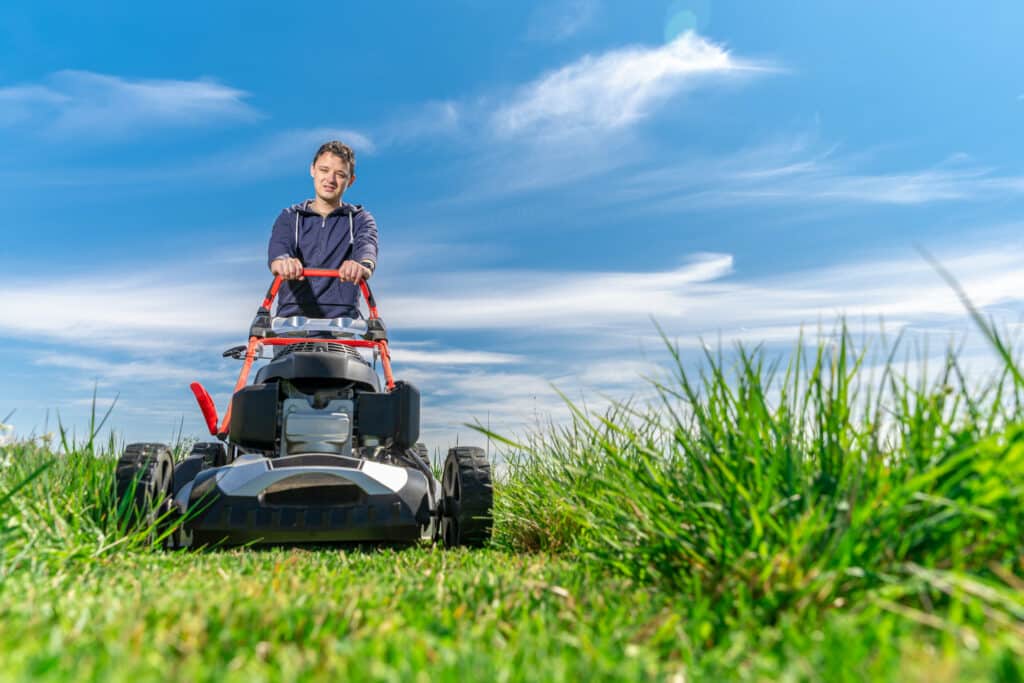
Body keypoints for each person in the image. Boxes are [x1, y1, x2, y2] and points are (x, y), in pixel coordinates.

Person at [267, 140, 379, 320]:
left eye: (340, 174)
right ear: (312, 169)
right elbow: (278, 252)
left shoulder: (359, 219)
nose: (330, 179)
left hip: (342, 328)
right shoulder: (289, 217)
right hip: (292, 326)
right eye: (324, 170)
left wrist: (360, 266)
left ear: (350, 180)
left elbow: (367, 248)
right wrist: (283, 262)